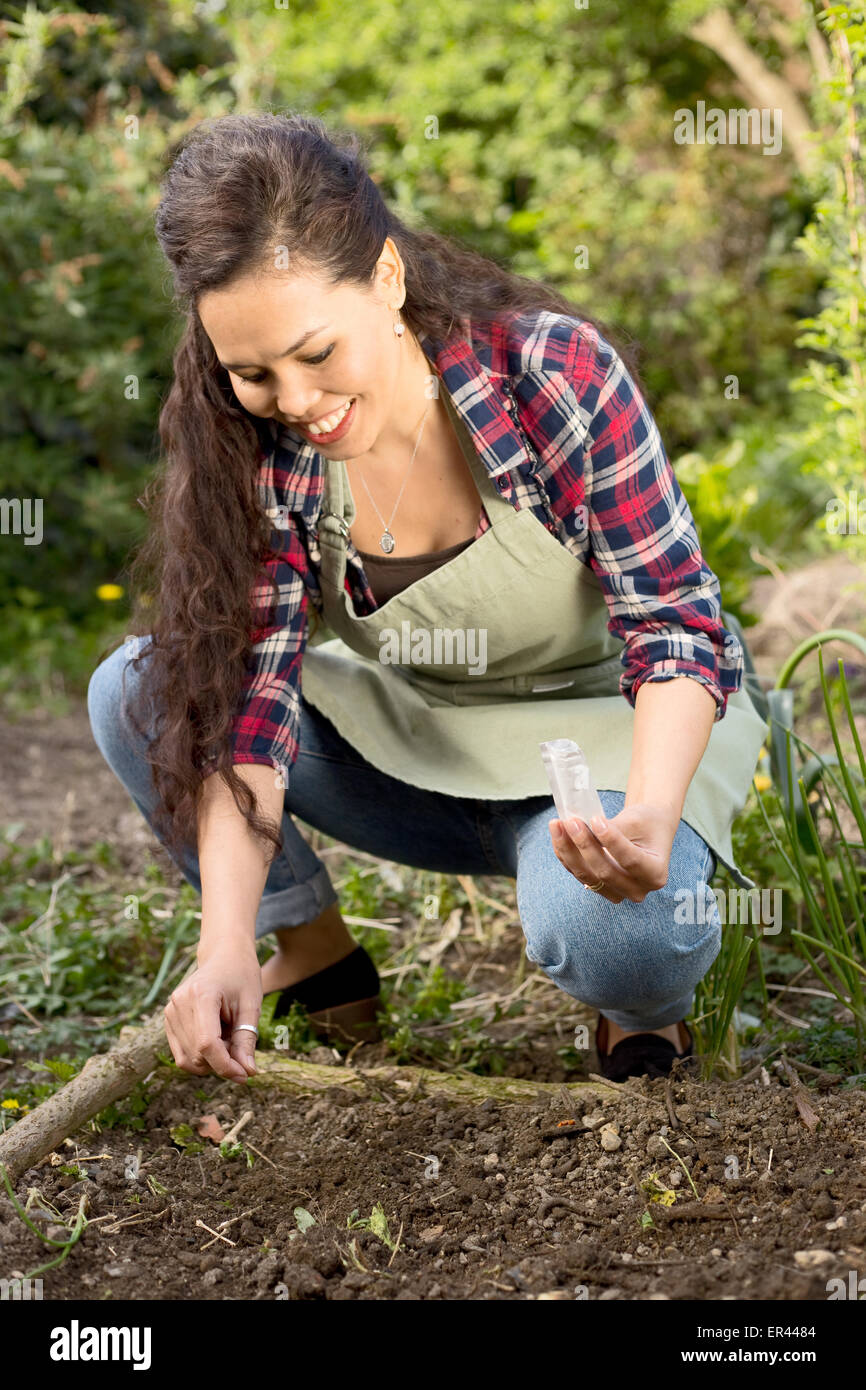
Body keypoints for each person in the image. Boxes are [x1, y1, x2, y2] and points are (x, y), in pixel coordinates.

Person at [87, 110, 768, 1086]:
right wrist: (221, 938)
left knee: (619, 940)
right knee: (138, 688)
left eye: (316, 352)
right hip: (425, 738)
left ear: (389, 281)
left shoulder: (549, 375)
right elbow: (251, 712)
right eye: (252, 373)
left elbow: (671, 630)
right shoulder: (266, 456)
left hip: (607, 737)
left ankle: (641, 1019)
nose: (295, 399)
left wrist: (651, 815)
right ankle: (315, 959)